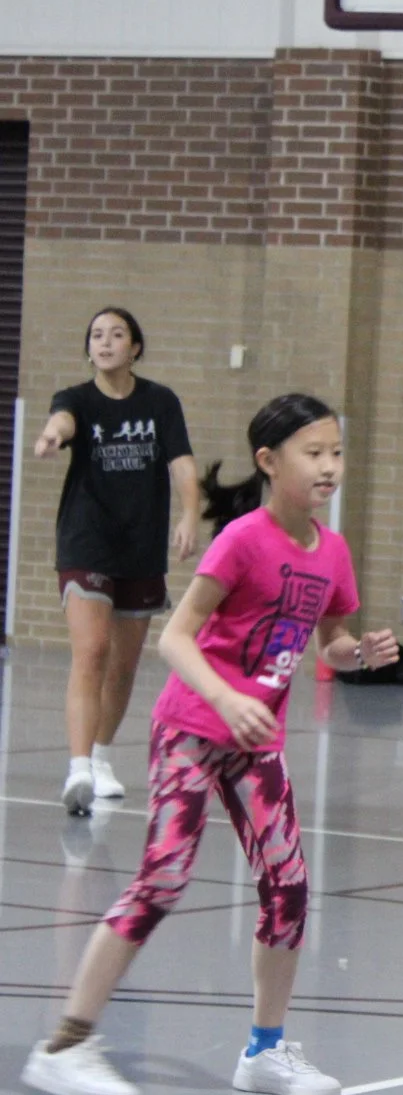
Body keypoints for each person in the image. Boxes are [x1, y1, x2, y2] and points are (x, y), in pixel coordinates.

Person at [21, 394, 399, 1095]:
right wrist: (226, 699)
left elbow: (331, 646)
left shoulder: (333, 551)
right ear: (268, 461)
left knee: (288, 889)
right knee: (161, 882)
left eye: (336, 453)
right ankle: (65, 1046)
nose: (329, 467)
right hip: (194, 732)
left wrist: (362, 654)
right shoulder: (243, 542)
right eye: (312, 454)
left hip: (256, 743)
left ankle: (264, 1051)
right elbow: (175, 637)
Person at [34, 307, 200, 815]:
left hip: (141, 544)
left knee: (124, 665)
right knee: (92, 648)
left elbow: (182, 463)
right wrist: (54, 434)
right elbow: (62, 418)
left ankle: (102, 758)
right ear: (89, 350)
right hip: (87, 540)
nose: (105, 342)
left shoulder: (160, 402)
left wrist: (191, 513)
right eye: (96, 336)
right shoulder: (77, 400)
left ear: (135, 347)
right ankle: (78, 767)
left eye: (117, 334)